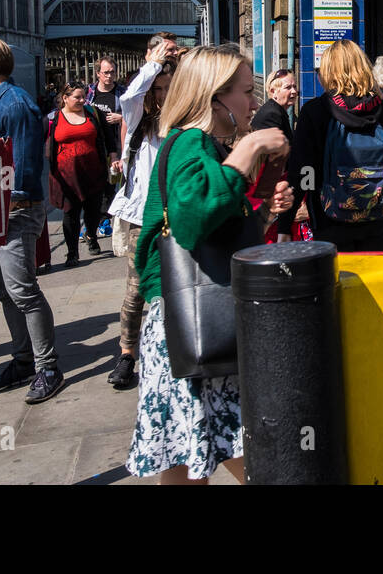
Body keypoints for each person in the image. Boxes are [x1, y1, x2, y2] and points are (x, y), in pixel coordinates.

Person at [127, 44, 292, 483]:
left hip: (186, 319)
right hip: (196, 318)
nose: (253, 102)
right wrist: (254, 144)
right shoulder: (189, 141)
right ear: (213, 97)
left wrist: (264, 209)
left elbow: (220, 223)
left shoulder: (202, 146)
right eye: (243, 91)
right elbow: (193, 215)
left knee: (186, 450)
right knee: (242, 448)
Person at [0, 36, 65, 403]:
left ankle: (47, 367)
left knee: (23, 291)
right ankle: (24, 359)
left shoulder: (15, 105)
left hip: (14, 213)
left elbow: (22, 169)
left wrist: (4, 207)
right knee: (5, 291)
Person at [282, 40, 383, 253]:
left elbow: (302, 172)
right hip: (377, 219)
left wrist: (286, 222)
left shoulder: (315, 111)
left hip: (330, 220)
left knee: (338, 283)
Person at [105, 35, 177, 391]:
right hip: (139, 217)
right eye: (157, 89)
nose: (162, 95)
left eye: (168, 88)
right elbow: (130, 95)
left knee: (174, 286)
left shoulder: (182, 123)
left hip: (174, 215)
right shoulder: (137, 119)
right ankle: (127, 354)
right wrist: (155, 61)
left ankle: (168, 350)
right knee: (136, 289)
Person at [48, 82, 115, 265]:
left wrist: (113, 155)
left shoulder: (93, 113)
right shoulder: (54, 118)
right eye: (77, 97)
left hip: (93, 172)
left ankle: (90, 234)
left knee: (93, 212)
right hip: (67, 176)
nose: (81, 100)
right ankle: (72, 253)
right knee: (70, 213)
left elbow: (108, 136)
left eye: (83, 96)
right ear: (65, 98)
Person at [87, 55, 125, 240]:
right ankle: (93, 222)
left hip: (115, 146)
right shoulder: (89, 94)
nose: (109, 76)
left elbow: (136, 116)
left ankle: (104, 220)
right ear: (98, 73)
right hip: (93, 146)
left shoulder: (123, 93)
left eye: (112, 72)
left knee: (111, 183)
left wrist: (121, 118)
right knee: (94, 185)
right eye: (106, 72)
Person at [252, 67, 297, 142]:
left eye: (294, 86)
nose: (294, 91)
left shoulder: (276, 110)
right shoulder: (272, 115)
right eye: (288, 87)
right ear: (273, 92)